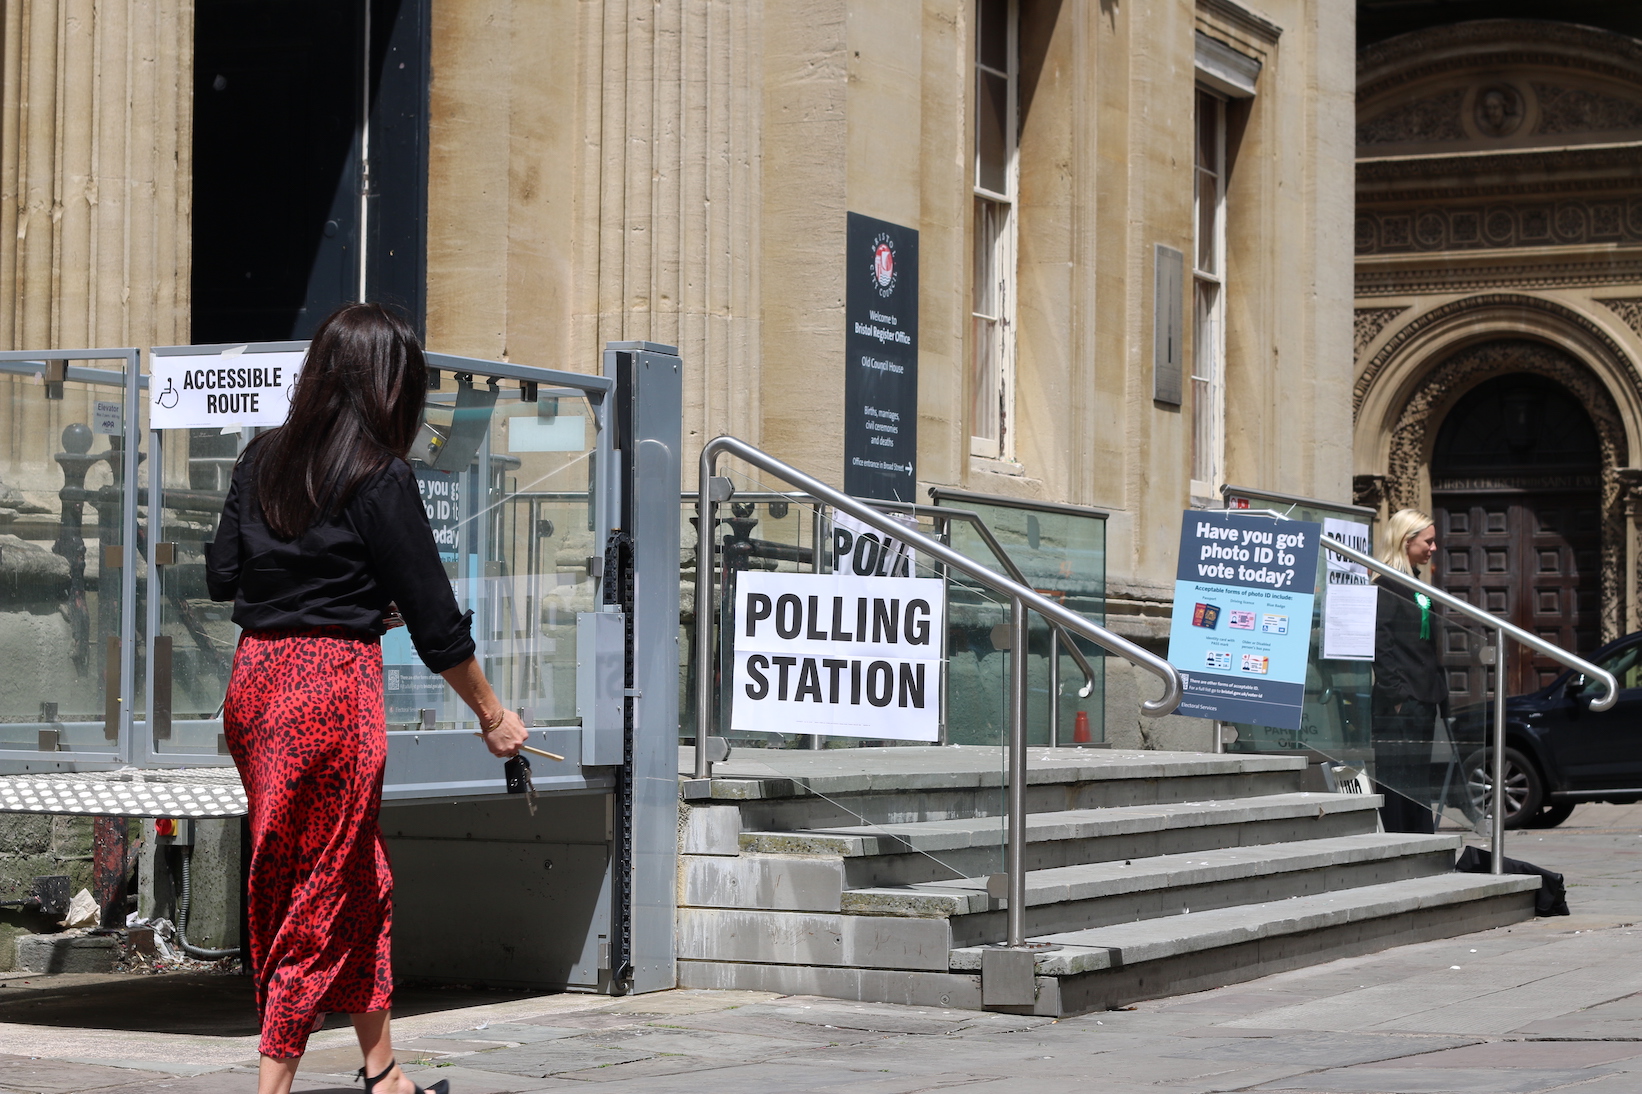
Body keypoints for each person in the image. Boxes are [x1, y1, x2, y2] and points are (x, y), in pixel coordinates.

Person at [207, 303, 528, 1094]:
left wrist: (335, 590)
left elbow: (223, 576)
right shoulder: (379, 476)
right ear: (391, 387)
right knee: (315, 891)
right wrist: (493, 715)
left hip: (255, 684)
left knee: (354, 876)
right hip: (329, 691)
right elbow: (435, 619)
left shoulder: (260, 461)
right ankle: (271, 1087)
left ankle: (385, 1077)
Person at [1371, 508, 1446, 835]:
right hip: (1401, 703)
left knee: (1417, 778)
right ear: (1406, 541)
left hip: (1423, 698)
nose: (1433, 548)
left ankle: (1421, 839)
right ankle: (1402, 838)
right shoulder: (1386, 583)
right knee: (1398, 779)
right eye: (1428, 541)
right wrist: (1396, 695)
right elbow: (1381, 641)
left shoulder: (1412, 583)